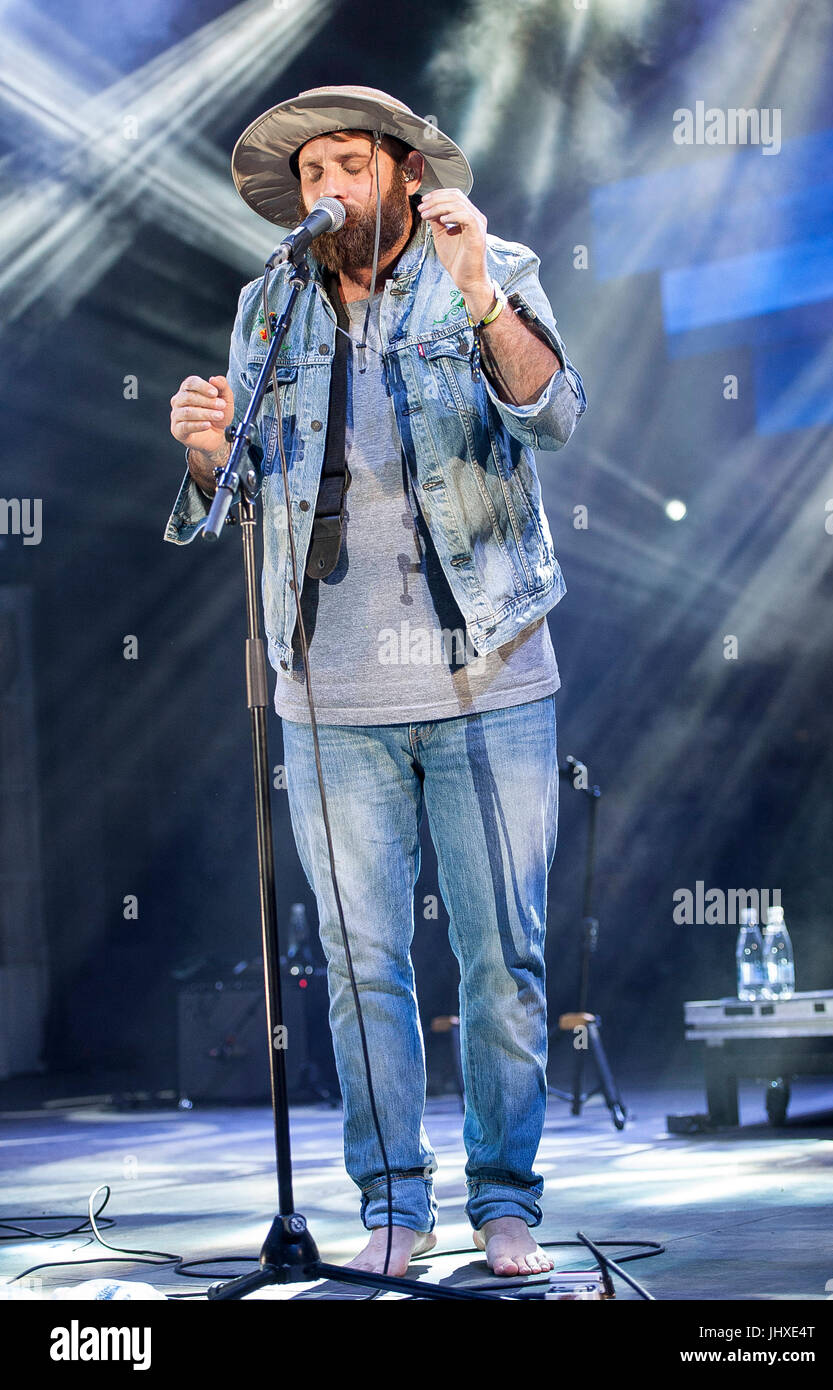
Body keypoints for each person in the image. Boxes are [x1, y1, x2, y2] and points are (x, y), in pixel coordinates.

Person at [166, 86, 586, 1279]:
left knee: (503, 957)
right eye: (309, 177)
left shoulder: (489, 263)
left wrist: (479, 292)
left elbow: (555, 413)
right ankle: (390, 1199)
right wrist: (206, 456)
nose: (326, 192)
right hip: (326, 693)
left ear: (402, 173)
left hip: (486, 673)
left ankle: (506, 1199)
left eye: (346, 166)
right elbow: (233, 496)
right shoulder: (268, 305)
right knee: (361, 966)